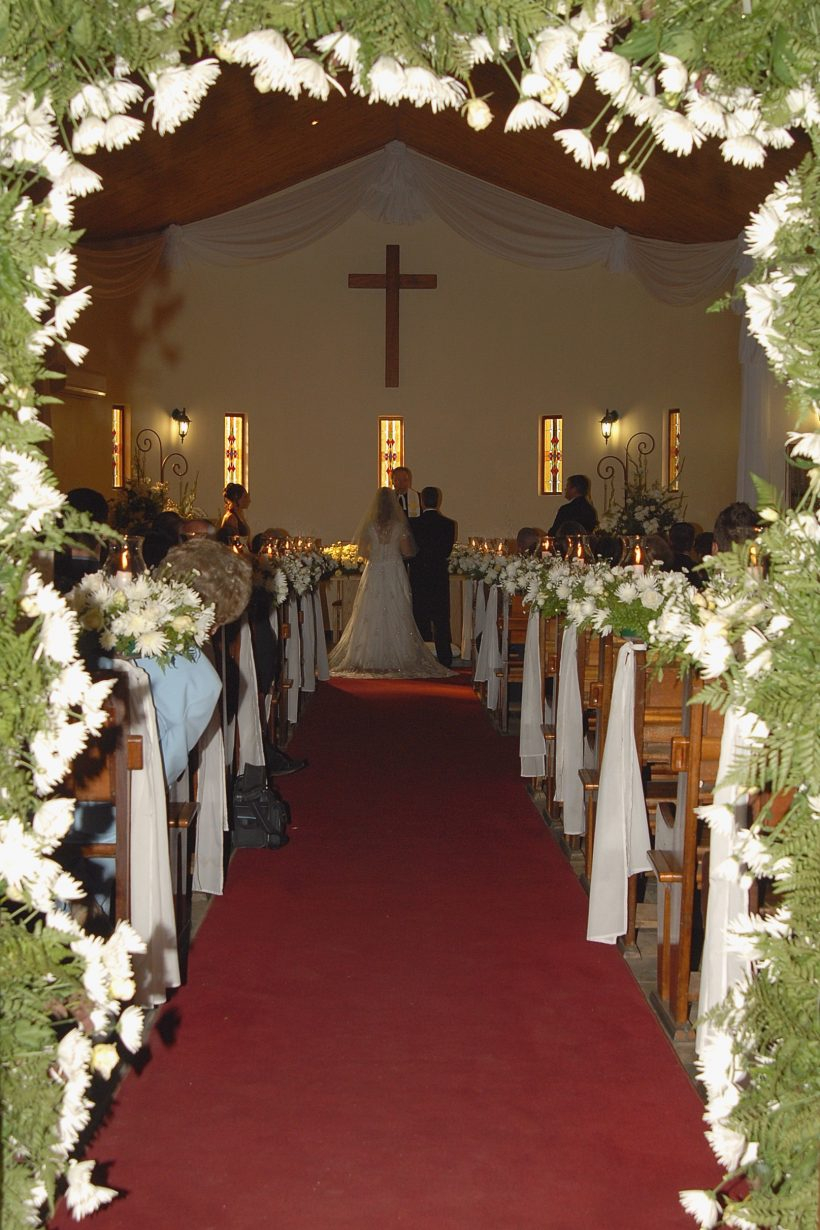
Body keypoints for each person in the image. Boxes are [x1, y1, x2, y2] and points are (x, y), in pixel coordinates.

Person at [328, 487, 451, 678]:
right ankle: (399, 656)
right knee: (397, 609)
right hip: (394, 570)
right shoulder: (400, 526)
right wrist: (394, 553)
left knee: (371, 610)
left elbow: (362, 551)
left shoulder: (369, 526)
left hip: (375, 570)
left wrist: (377, 555)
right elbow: (408, 552)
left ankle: (368, 656)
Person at [408, 487, 457, 667]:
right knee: (441, 619)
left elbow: (410, 551)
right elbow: (447, 551)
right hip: (438, 576)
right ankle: (445, 659)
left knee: (420, 617)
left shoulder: (413, 524)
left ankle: (420, 660)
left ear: (422, 502)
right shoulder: (449, 524)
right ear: (438, 501)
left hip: (419, 576)